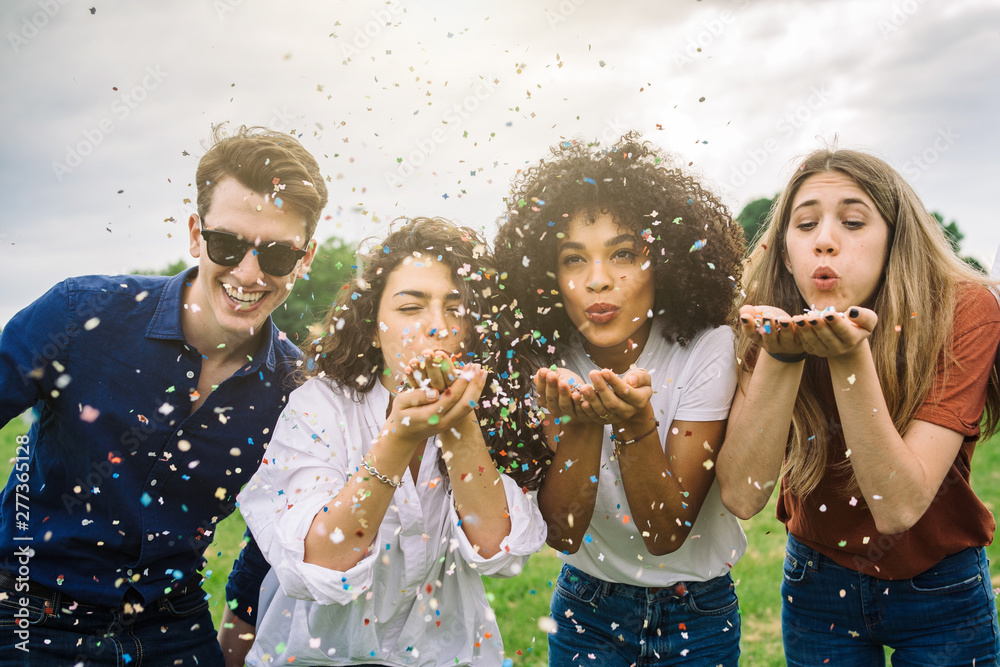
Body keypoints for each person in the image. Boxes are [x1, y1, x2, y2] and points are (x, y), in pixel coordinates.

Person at [0, 124, 327, 666]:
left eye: (276, 255)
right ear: (197, 234)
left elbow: (275, 540)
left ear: (306, 257)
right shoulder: (81, 313)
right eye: (227, 243)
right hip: (28, 614)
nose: (248, 273)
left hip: (172, 627)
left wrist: (233, 648)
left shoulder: (299, 391)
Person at [716, 147, 1000, 665]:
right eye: (805, 225)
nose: (825, 240)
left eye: (852, 221)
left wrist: (849, 357)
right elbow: (741, 495)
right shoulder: (768, 320)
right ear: (784, 254)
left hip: (942, 584)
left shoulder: (963, 309)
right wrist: (780, 358)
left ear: (895, 241)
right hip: (817, 583)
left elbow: (898, 507)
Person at [235, 216, 551, 666]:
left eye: (455, 308)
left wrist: (457, 427)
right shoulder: (318, 406)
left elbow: (497, 554)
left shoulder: (495, 408)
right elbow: (322, 563)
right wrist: (397, 441)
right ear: (372, 322)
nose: (437, 327)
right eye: (410, 308)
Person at [494, 132, 747, 666]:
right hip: (587, 607)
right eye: (573, 259)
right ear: (548, 274)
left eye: (624, 253)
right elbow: (562, 535)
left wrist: (634, 423)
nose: (598, 281)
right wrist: (584, 425)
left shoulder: (706, 348)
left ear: (666, 262)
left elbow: (665, 532)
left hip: (696, 614)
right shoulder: (541, 357)